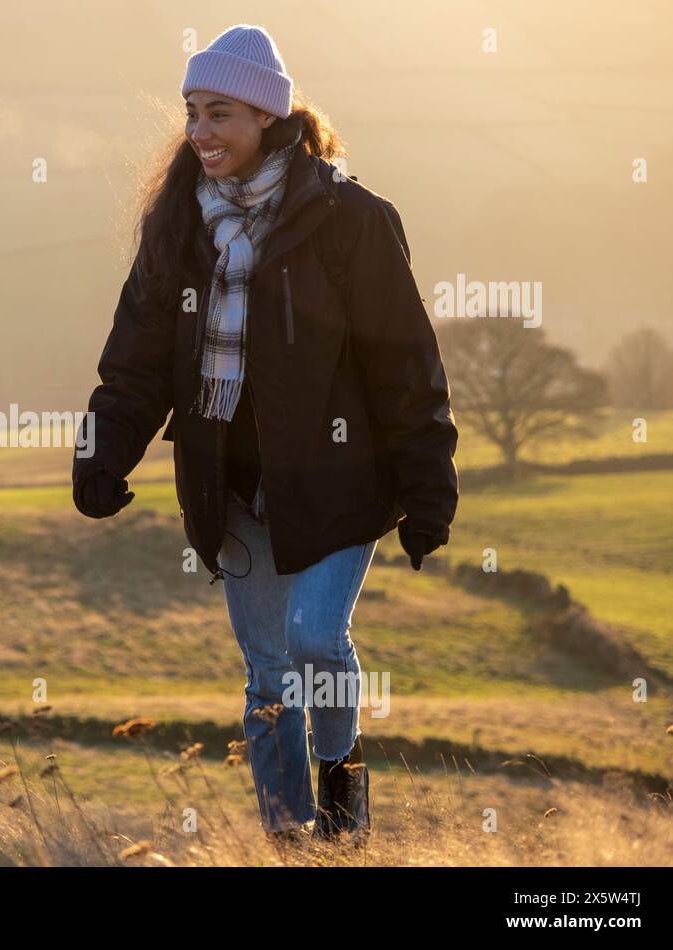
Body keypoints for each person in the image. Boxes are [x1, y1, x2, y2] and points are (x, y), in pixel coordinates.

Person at [72, 26, 458, 845]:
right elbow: (138, 357)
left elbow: (405, 363)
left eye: (220, 113)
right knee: (268, 678)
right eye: (191, 113)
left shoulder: (351, 220)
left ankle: (341, 797)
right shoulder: (176, 226)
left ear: (271, 118)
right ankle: (289, 840)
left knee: (316, 639)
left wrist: (429, 486)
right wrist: (104, 451)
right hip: (231, 485)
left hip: (338, 482)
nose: (201, 132)